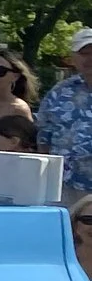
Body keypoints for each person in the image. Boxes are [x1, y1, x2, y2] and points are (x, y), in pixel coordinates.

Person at [36, 28, 92, 197]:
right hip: (63, 187)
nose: (90, 58)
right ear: (73, 58)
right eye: (84, 53)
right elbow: (44, 137)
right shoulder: (59, 92)